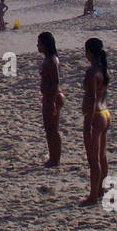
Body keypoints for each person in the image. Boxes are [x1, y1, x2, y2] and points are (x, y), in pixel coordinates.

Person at [79, 37, 110, 207]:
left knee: (93, 159)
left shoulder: (91, 73)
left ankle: (93, 195)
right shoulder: (104, 70)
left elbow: (90, 99)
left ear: (89, 52)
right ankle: (100, 190)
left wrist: (87, 124)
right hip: (105, 112)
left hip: (96, 115)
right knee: (102, 156)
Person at [37, 32, 64, 168]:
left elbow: (55, 82)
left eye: (39, 43)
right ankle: (53, 156)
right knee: (49, 129)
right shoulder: (48, 59)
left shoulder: (52, 60)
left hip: (53, 96)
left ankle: (55, 158)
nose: (37, 46)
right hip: (48, 96)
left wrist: (52, 101)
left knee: (53, 129)